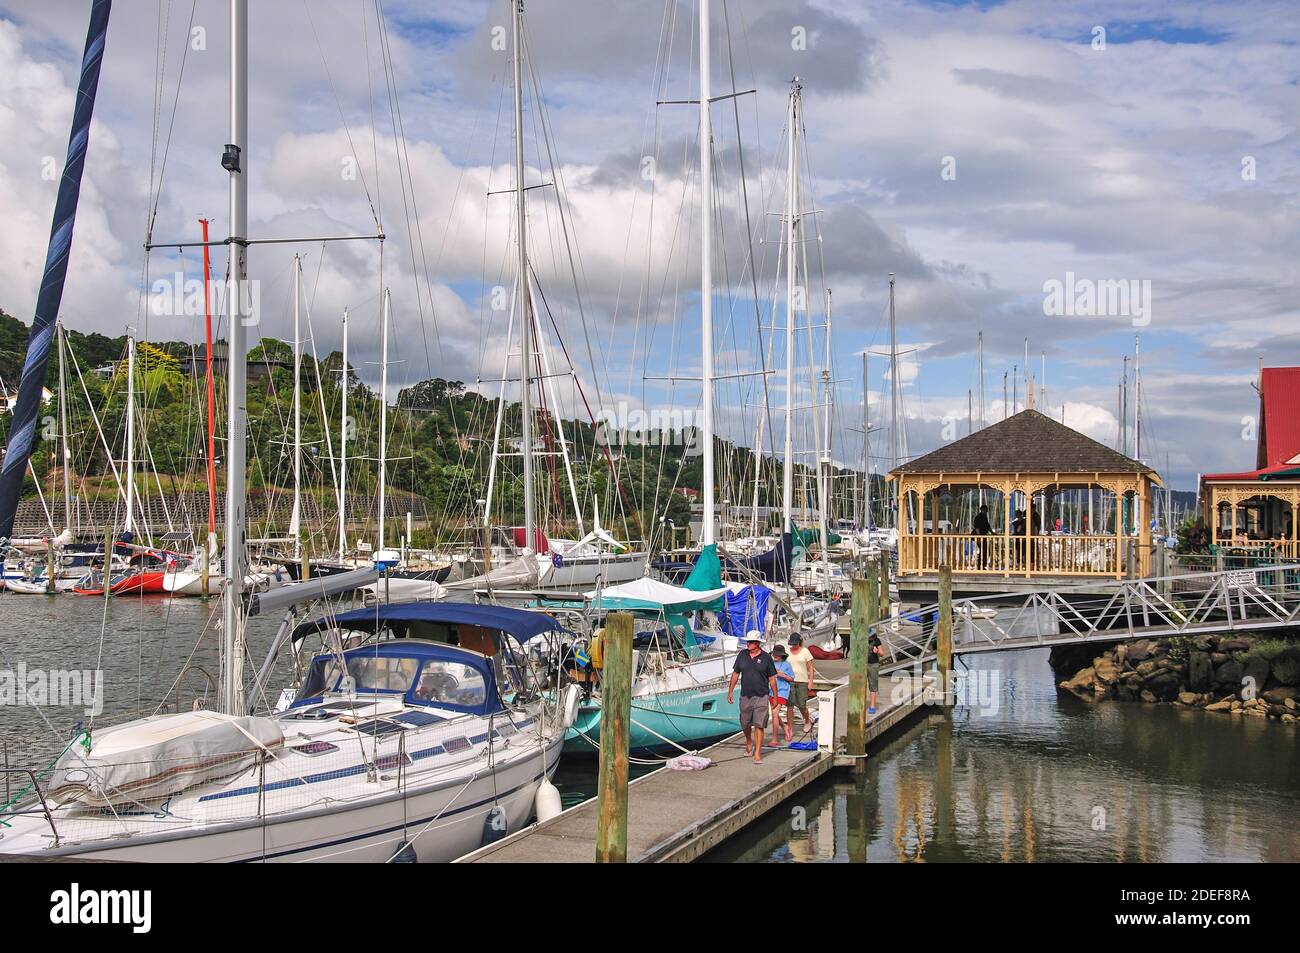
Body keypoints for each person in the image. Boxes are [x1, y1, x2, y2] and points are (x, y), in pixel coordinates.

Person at [727, 631, 778, 763]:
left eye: (750, 642)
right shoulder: (742, 655)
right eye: (747, 642)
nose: (747, 644)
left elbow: (772, 678)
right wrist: (730, 691)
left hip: (762, 695)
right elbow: (735, 674)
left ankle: (757, 753)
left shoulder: (766, 658)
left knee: (759, 724)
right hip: (745, 695)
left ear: (757, 643)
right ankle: (749, 741)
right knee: (745, 723)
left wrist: (775, 697)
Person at [785, 633, 817, 735]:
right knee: (789, 705)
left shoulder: (805, 651)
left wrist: (811, 681)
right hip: (789, 681)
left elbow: (811, 667)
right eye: (792, 644)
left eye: (795, 644)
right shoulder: (787, 652)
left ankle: (807, 721)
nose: (793, 646)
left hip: (802, 681)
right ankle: (790, 727)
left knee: (801, 705)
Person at [770, 645, 795, 743]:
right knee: (774, 713)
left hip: (782, 691)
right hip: (771, 690)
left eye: (778, 654)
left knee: (775, 713)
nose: (775, 656)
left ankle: (775, 739)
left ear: (782, 655)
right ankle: (785, 727)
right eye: (774, 654)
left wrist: (782, 675)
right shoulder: (770, 663)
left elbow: (792, 678)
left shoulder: (786, 664)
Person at [867, 631, 884, 714]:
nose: (873, 637)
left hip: (873, 664)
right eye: (871, 636)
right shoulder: (862, 639)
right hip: (862, 664)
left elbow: (882, 654)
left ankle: (872, 705)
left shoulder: (877, 641)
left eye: (873, 635)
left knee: (873, 685)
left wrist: (877, 651)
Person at [973, 504, 992, 568]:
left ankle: (983, 565)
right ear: (982, 510)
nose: (986, 511)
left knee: (987, 551)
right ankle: (980, 566)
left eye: (986, 510)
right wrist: (979, 537)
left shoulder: (985, 517)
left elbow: (988, 526)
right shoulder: (978, 517)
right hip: (980, 537)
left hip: (984, 536)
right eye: (985, 510)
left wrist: (992, 532)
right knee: (983, 551)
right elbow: (977, 528)